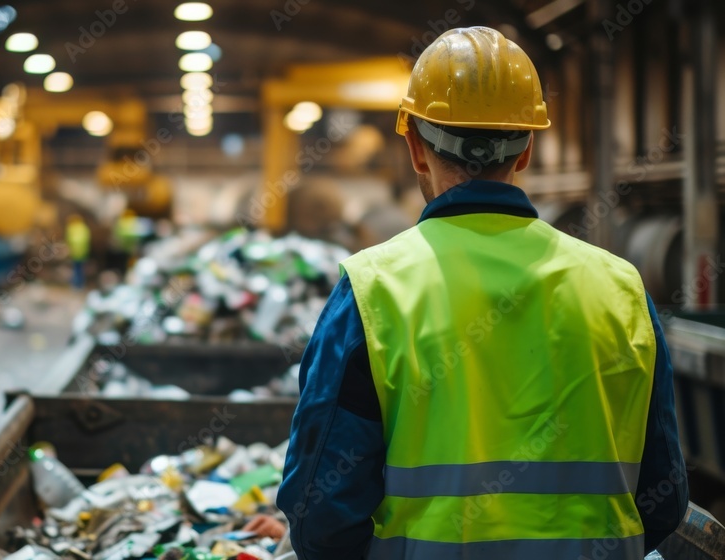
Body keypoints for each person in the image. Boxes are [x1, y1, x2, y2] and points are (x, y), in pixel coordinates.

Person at [277, 26, 687, 559]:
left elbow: (319, 512)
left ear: (416, 148)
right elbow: (664, 498)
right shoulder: (621, 288)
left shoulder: (372, 291)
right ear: (526, 150)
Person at [65, 214, 90, 290]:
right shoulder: (84, 227)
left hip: (74, 252)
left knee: (75, 269)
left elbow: (68, 240)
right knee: (80, 269)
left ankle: (75, 284)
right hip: (83, 252)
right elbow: (87, 240)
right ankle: (80, 284)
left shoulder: (71, 228)